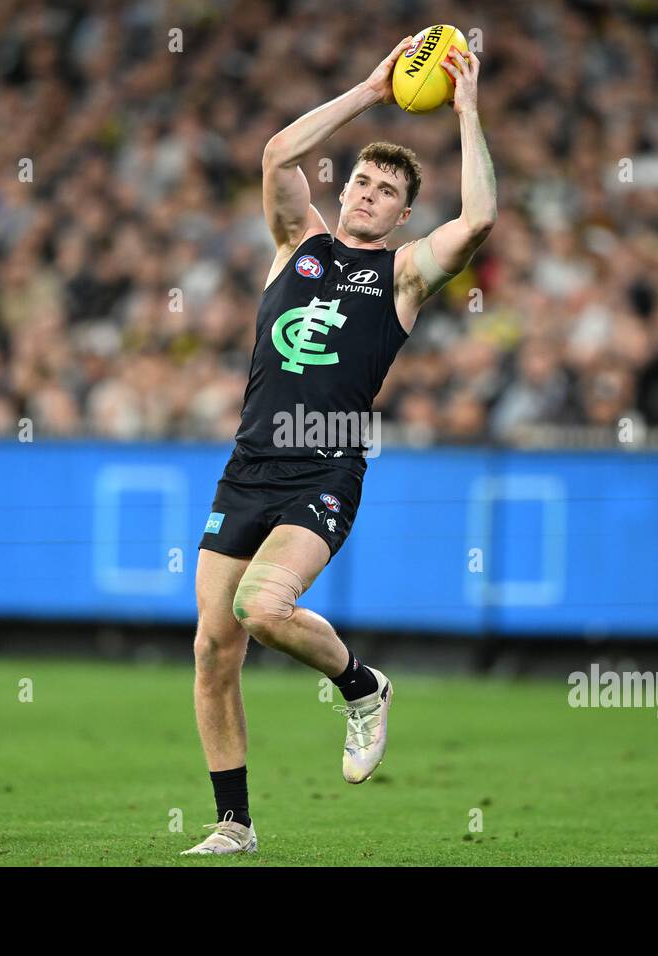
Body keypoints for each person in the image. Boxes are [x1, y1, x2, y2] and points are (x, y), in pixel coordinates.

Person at [183, 38, 497, 855]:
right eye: (360, 179)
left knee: (262, 607)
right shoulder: (297, 245)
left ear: (402, 215)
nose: (367, 193)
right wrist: (368, 88)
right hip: (248, 465)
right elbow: (279, 151)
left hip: (325, 465)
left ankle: (361, 686)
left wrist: (465, 112)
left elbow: (482, 218)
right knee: (214, 648)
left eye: (387, 190)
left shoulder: (403, 276)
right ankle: (235, 824)